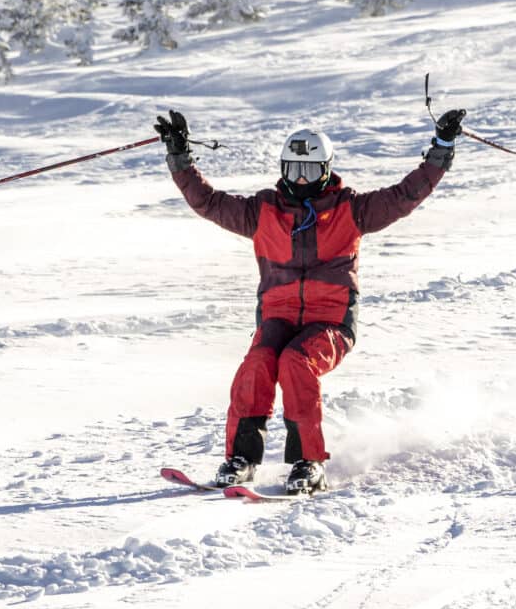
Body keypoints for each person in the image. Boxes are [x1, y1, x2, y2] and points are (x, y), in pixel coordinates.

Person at [154, 107, 466, 494]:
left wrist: (441, 149)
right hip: (278, 317)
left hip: (331, 320)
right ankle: (242, 459)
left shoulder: (350, 210)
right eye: (293, 170)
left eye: (310, 171)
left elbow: (404, 196)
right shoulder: (263, 211)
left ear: (326, 169)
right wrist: (179, 156)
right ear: (283, 169)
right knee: (257, 364)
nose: (301, 179)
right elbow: (208, 202)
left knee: (296, 363)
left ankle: (309, 462)